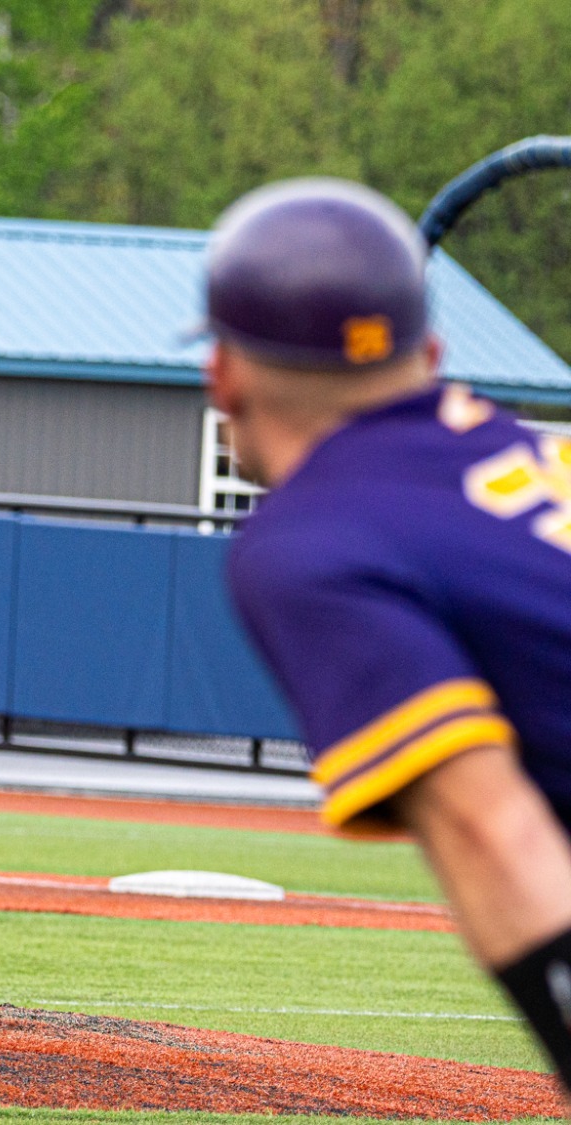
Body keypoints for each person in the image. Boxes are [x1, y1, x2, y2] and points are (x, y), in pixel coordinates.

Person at [207, 178, 571, 1084]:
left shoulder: (311, 540)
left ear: (224, 374)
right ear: (431, 354)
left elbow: (489, 829)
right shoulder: (543, 458)